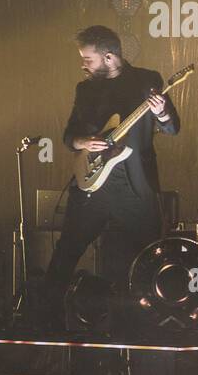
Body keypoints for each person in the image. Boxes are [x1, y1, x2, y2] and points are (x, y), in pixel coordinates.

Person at [44, 26, 180, 324]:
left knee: (146, 259)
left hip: (134, 188)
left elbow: (172, 128)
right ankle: (47, 325)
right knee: (65, 253)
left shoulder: (147, 81)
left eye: (88, 59)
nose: (83, 65)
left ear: (109, 57)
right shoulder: (86, 89)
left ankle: (143, 328)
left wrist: (161, 113)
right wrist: (83, 142)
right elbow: (69, 136)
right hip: (91, 187)